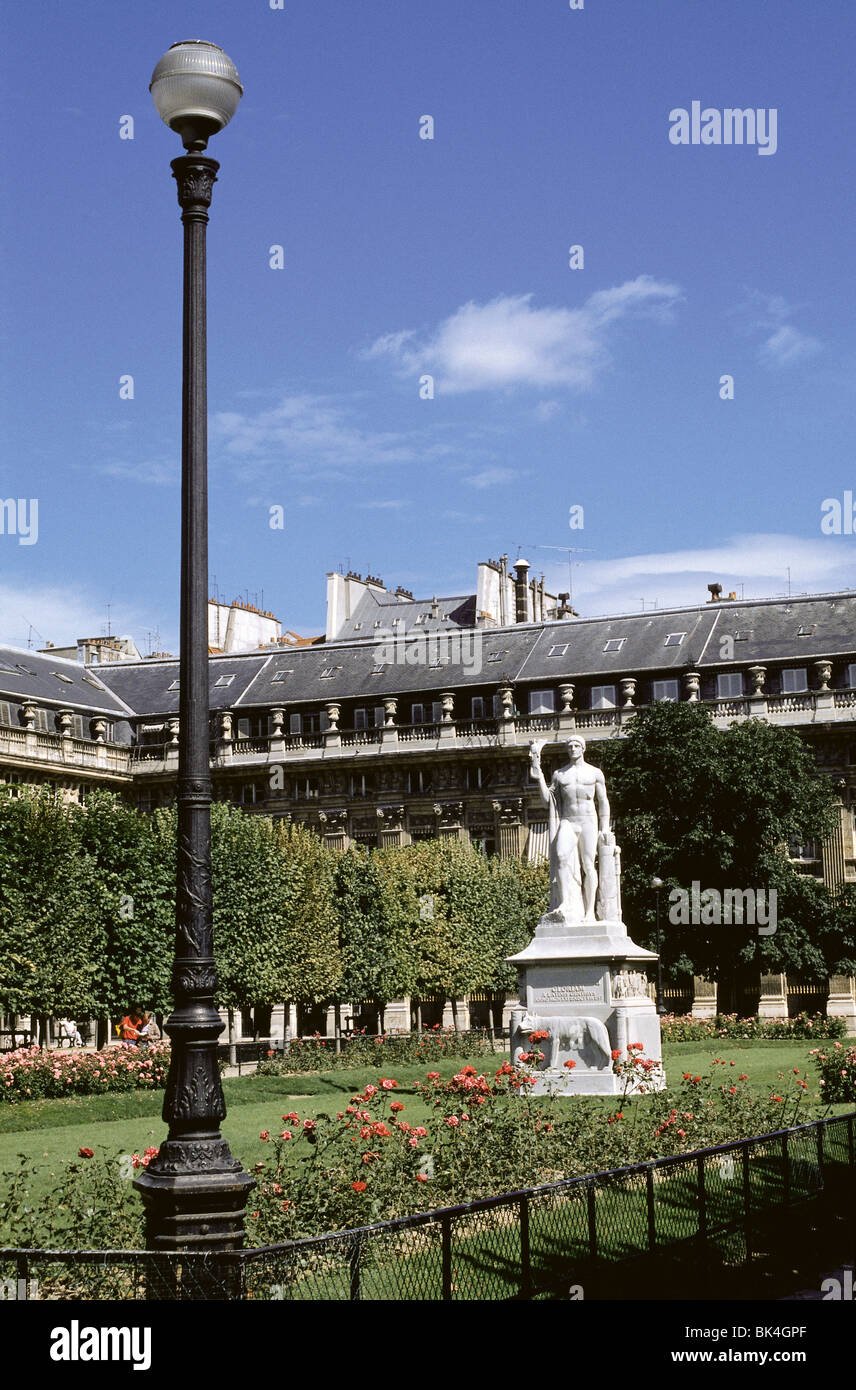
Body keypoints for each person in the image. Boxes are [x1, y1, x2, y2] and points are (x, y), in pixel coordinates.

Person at [529, 735, 611, 923]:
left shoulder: (595, 773)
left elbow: (603, 801)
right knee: (561, 856)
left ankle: (590, 911)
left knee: (588, 865)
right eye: (570, 746)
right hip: (568, 821)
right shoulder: (560, 774)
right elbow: (548, 801)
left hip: (588, 820)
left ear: (583, 748)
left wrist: (605, 827)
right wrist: (540, 777)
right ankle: (565, 902)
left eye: (576, 745)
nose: (573, 749)